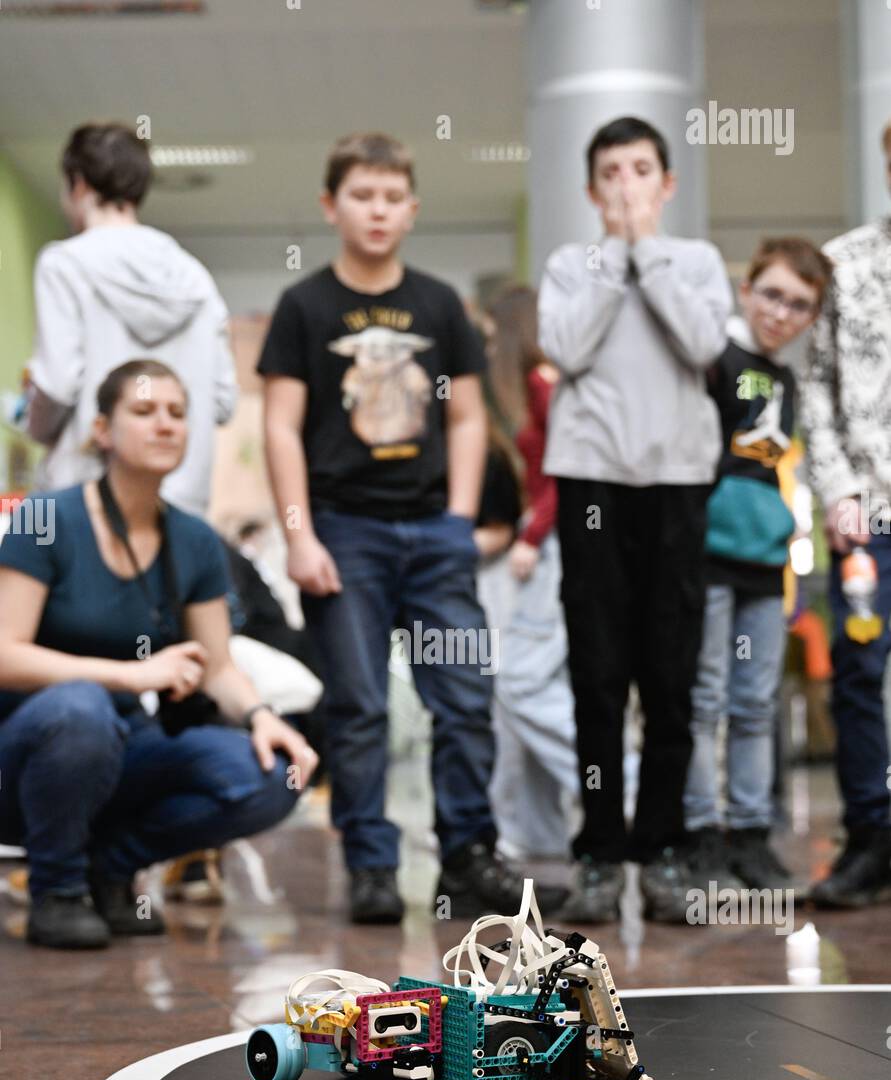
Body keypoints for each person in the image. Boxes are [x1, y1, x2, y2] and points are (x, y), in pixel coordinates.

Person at [258, 131, 562, 925]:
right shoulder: (304, 307)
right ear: (332, 206)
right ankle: (369, 866)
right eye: (362, 196)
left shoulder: (437, 305)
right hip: (342, 531)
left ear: (412, 208)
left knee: (463, 699)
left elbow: (465, 419)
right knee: (357, 706)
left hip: (432, 533)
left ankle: (465, 859)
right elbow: (281, 427)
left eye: (392, 197)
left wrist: (460, 522)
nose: (377, 210)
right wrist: (299, 535)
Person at [0, 360, 317, 950]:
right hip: (28, 754)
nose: (165, 425)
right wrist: (131, 675)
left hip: (123, 744)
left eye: (176, 413)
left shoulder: (194, 539)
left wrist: (262, 717)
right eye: (144, 412)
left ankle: (111, 866)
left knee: (272, 774)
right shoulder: (46, 519)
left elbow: (218, 666)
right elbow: (5, 654)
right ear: (101, 430)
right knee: (80, 707)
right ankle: (57, 890)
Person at [538, 115, 733, 923]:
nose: (625, 185)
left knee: (669, 677)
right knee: (596, 675)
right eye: (611, 172)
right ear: (590, 190)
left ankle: (660, 853)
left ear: (666, 183)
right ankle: (598, 855)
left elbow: (701, 346)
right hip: (589, 481)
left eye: (640, 169)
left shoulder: (696, 261)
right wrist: (612, 260)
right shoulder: (567, 264)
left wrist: (645, 253)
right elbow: (567, 349)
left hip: (677, 483)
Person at [683, 238, 831, 894]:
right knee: (703, 696)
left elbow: (783, 471)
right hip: (707, 553)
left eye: (799, 304)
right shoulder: (713, 357)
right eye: (771, 294)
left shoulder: (787, 379)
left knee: (755, 701)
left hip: (766, 559)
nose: (781, 312)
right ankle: (697, 831)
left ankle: (749, 832)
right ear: (746, 290)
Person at [25, 123, 237, 517]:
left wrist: (31, 424)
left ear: (78, 184)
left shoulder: (64, 264)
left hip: (82, 502)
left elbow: (57, 384)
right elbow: (223, 402)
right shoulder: (196, 278)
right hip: (181, 504)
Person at [801, 119, 891, 909]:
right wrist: (836, 492)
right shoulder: (844, 264)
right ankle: (869, 835)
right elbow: (816, 394)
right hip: (869, 520)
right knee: (859, 673)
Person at [484, 286, 578, 862]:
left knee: (518, 682)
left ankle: (629, 784)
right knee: (539, 686)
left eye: (494, 334)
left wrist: (532, 535)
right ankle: (540, 833)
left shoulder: (544, 382)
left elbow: (564, 473)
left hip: (555, 544)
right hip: (552, 539)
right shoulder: (537, 384)